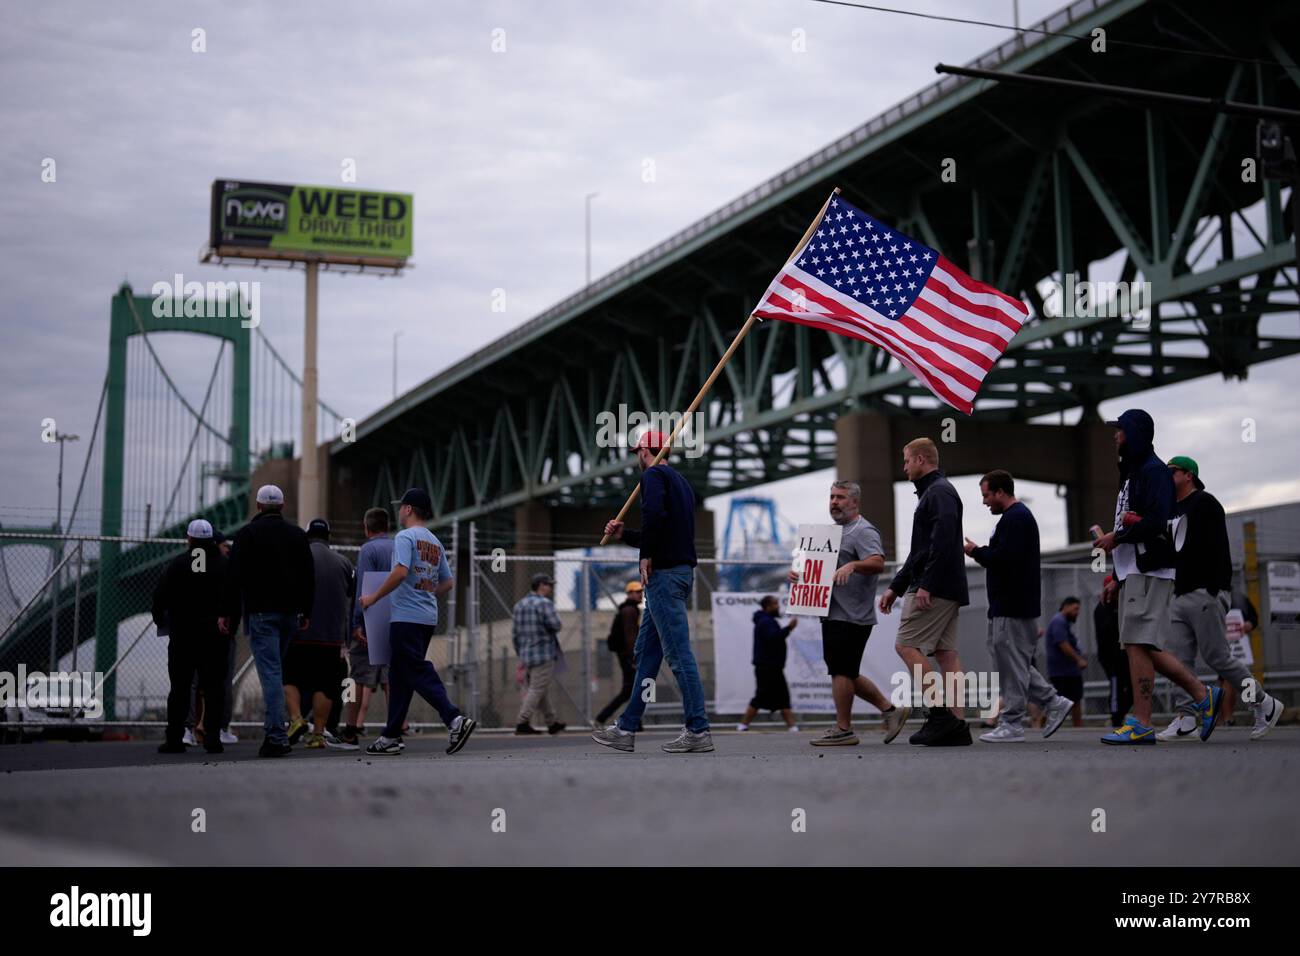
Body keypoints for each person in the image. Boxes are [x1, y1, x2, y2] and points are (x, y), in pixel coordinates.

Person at [1093, 410, 1221, 745]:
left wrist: (1116, 538)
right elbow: (1136, 522)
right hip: (1136, 570)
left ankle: (1143, 722)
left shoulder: (1152, 471)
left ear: (1134, 433)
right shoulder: (1136, 471)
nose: (1115, 435)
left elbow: (1156, 522)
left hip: (1149, 569)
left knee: (1138, 643)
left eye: (1120, 429)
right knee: (1142, 644)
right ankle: (1201, 695)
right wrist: (1117, 575)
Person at [594, 430, 713, 754]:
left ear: (645, 450)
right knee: (647, 654)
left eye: (637, 451)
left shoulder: (653, 474)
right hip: (677, 573)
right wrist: (626, 536)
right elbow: (663, 529)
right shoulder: (680, 482)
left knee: (678, 655)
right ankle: (627, 727)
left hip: (663, 577)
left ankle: (698, 730)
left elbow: (654, 515)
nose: (636, 457)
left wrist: (645, 553)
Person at [1156, 457, 1283, 741]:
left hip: (1205, 591)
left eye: (1172, 471)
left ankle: (1264, 702)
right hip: (1180, 593)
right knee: (1179, 659)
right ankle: (1186, 717)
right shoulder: (1173, 509)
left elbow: (1218, 547)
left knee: (1218, 656)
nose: (1168, 475)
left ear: (1189, 475)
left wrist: (1216, 588)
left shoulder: (1206, 503)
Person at [359, 488, 476, 756]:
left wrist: (373, 598)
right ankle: (390, 736)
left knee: (415, 668)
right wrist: (424, 592)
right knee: (401, 676)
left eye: (401, 507)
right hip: (427, 617)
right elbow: (447, 582)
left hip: (405, 618)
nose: (399, 511)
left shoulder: (405, 536)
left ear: (409, 509)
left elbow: (399, 573)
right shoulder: (435, 541)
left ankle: (454, 719)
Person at [964, 470, 1074, 742]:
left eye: (986, 495)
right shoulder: (1015, 518)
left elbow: (1003, 559)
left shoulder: (1016, 518)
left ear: (1000, 492)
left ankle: (1012, 723)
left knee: (1011, 664)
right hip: (1009, 604)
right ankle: (1053, 702)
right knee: (1011, 663)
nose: (984, 501)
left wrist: (976, 552)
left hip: (1011, 605)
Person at [797, 480, 908, 746]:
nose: (834, 502)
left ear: (855, 502)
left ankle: (844, 729)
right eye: (832, 497)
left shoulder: (863, 530)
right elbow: (822, 571)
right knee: (845, 670)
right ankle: (891, 711)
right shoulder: (832, 534)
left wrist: (854, 566)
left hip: (851, 615)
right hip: (832, 612)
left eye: (841, 498)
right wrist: (801, 576)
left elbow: (877, 562)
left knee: (841, 671)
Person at [878, 438, 971, 746]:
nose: (903, 466)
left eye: (906, 460)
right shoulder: (937, 491)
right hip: (949, 584)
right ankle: (957, 725)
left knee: (906, 645)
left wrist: (926, 583)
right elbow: (923, 549)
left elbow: (940, 543)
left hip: (935, 586)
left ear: (920, 459)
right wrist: (896, 586)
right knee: (946, 654)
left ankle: (940, 715)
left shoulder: (938, 492)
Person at [226, 485, 314, 758]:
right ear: (283, 505)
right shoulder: (298, 535)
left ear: (259, 506)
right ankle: (277, 730)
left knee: (272, 674)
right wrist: (306, 612)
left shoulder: (246, 535)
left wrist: (230, 614)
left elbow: (235, 579)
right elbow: (308, 576)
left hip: (261, 613)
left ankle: (276, 736)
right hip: (290, 614)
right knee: (277, 671)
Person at [152, 519, 238, 755]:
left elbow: (160, 597)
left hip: (183, 636)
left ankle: (175, 739)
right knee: (214, 688)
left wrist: (161, 620)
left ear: (189, 539)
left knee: (180, 688)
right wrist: (231, 627)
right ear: (212, 539)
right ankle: (212, 738)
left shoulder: (178, 564)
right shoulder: (225, 564)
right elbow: (235, 598)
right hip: (215, 637)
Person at [285, 519, 356, 749]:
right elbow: (352, 595)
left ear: (307, 536)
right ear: (329, 537)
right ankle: (317, 734)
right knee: (325, 686)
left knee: (289, 678)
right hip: (331, 638)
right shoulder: (344, 563)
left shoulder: (296, 558)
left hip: (299, 633)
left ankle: (296, 719)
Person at [342, 507, 395, 747]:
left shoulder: (368, 549)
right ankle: (395, 729)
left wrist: (356, 623)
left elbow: (364, 586)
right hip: (395, 616)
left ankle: (351, 730)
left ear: (367, 528)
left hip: (370, 616)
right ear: (388, 526)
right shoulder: (399, 546)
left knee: (357, 678)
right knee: (390, 678)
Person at [512, 573, 566, 735]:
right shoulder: (544, 604)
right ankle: (522, 722)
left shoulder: (519, 605)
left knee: (540, 688)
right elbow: (556, 625)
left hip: (527, 653)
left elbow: (515, 634)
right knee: (536, 688)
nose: (550, 588)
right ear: (542, 585)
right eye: (549, 585)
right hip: (543, 653)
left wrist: (521, 652)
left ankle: (552, 722)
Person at [737, 595, 799, 732]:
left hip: (771, 666)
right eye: (775, 604)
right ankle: (743, 725)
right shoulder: (766, 622)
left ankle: (792, 727)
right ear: (768, 606)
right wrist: (789, 628)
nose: (778, 607)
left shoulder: (767, 621)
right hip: (767, 667)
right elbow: (773, 638)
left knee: (781, 696)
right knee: (763, 696)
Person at [594, 581, 642, 727]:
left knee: (633, 689)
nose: (641, 594)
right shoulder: (629, 611)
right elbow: (630, 635)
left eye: (641, 591)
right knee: (630, 689)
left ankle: (634, 721)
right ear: (630, 594)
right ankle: (603, 718)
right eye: (637, 591)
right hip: (628, 655)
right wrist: (634, 656)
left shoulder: (630, 609)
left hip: (626, 654)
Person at [1094, 575, 1132, 729]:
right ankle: (1116, 718)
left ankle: (1121, 713)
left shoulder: (1123, 606)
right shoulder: (1103, 608)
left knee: (1130, 687)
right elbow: (1105, 633)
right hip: (1110, 657)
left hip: (1125, 655)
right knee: (1116, 686)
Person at [1044, 597, 1087, 727]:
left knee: (1073, 701)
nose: (1077, 613)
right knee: (1068, 702)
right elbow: (1063, 644)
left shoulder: (1064, 623)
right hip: (1063, 672)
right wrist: (1079, 660)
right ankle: (1041, 724)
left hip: (1068, 671)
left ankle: (1077, 728)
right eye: (1075, 609)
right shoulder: (1059, 621)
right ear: (1065, 607)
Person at [1222, 589, 1260, 725]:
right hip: (1223, 645)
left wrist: (1250, 624)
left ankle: (1227, 717)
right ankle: (1227, 717)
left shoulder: (1239, 598)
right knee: (1227, 681)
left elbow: (1254, 618)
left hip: (1239, 646)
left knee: (1233, 680)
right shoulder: (1211, 597)